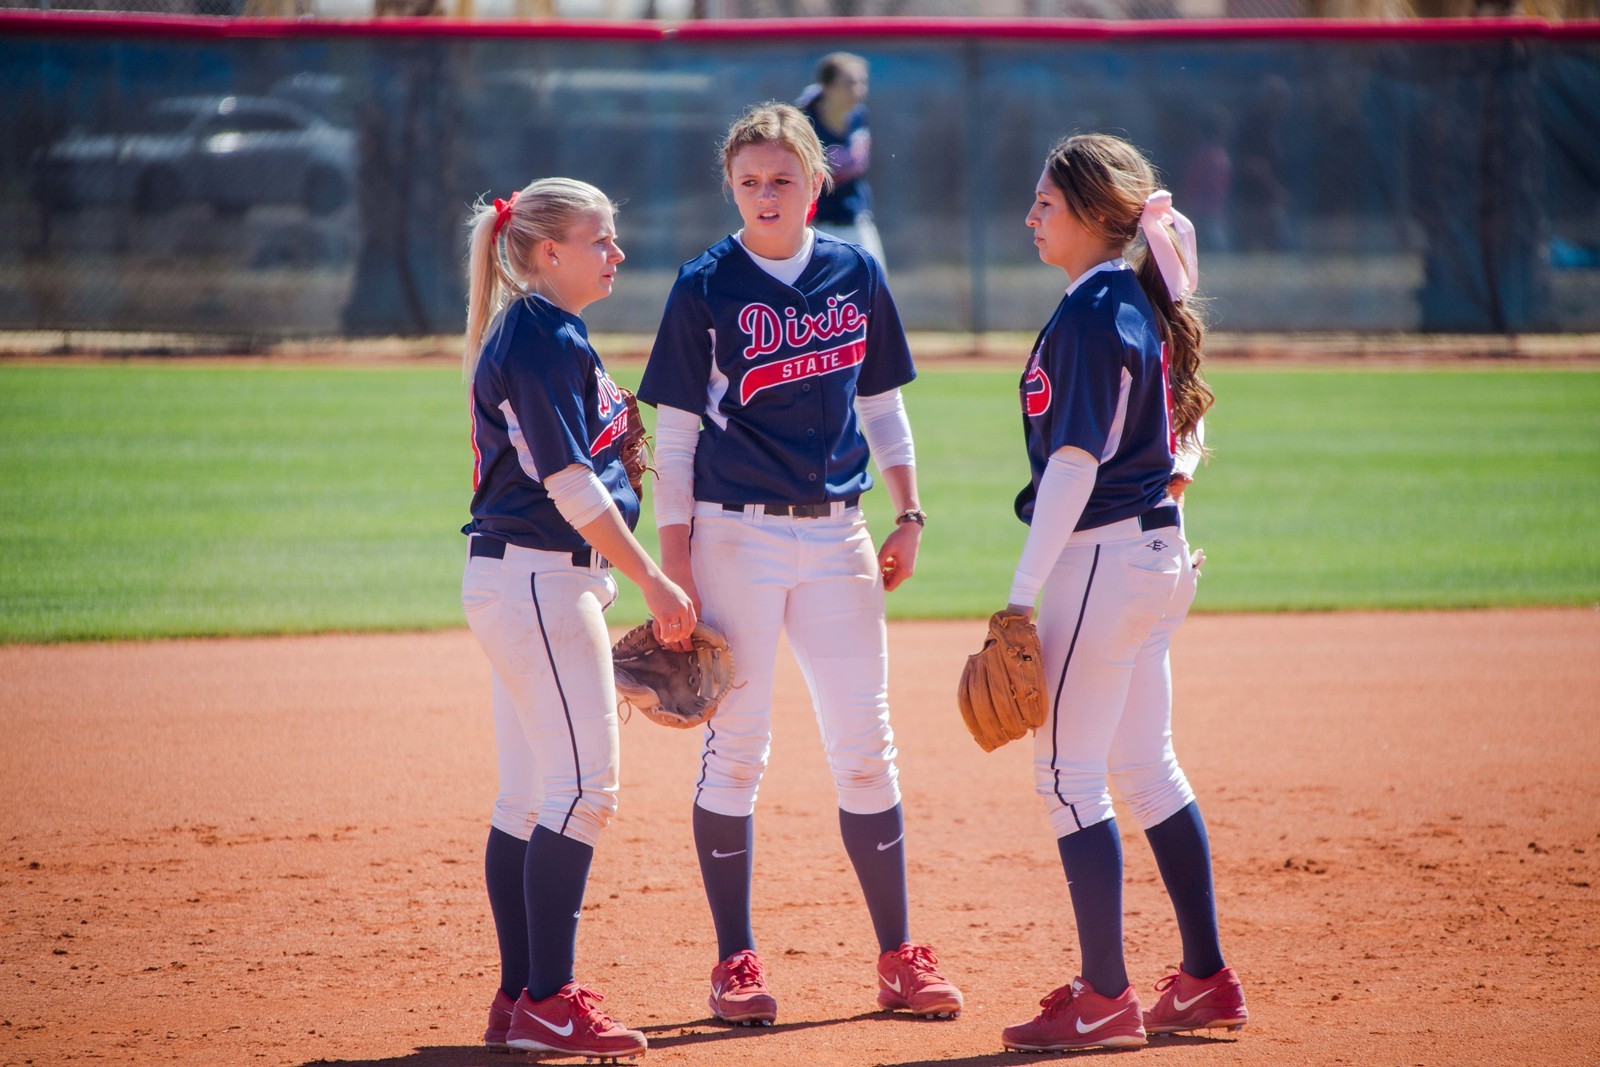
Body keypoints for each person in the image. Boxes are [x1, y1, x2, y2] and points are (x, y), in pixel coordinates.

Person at [636, 102, 962, 1028]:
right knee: (738, 743)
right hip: (734, 534)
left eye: (782, 179)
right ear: (730, 187)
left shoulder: (856, 273)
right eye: (749, 181)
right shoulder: (705, 285)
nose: (766, 195)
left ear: (817, 182)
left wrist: (909, 512)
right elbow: (677, 436)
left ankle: (900, 955)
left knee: (866, 742)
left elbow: (883, 405)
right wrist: (673, 566)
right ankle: (735, 961)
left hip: (840, 535)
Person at [995, 134, 1248, 1053]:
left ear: (1097, 216)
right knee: (1146, 768)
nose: (1031, 216)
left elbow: (1073, 465)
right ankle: (1205, 980)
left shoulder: (1096, 311)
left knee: (1068, 779)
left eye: (1046, 203)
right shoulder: (1131, 302)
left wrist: (1019, 598)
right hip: (1152, 555)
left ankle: (1104, 998)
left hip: (1102, 558)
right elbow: (1177, 443)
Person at [460, 177, 696, 1061]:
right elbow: (568, 486)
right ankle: (549, 1001)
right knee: (585, 789)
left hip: (526, 581)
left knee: (530, 794)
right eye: (601, 239)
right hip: (540, 581)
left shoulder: (548, 330)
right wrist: (654, 581)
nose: (617, 253)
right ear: (549, 251)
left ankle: (520, 998)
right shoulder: (541, 335)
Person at [796, 52, 885, 267]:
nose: (858, 90)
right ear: (827, 87)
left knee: (875, 280)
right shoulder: (805, 125)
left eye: (862, 82)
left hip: (857, 218)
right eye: (849, 83)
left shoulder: (859, 116)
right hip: (820, 226)